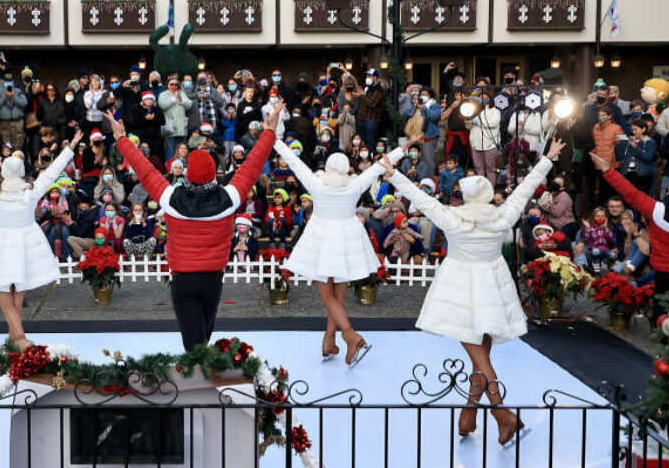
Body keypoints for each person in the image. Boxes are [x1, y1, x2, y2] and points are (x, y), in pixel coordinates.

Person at [383, 137, 565, 445]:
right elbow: (524, 190)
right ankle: (470, 414)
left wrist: (394, 175)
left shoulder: (452, 216)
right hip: (492, 283)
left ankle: (501, 413)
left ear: (465, 195)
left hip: (460, 286)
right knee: (481, 353)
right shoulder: (502, 215)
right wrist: (547, 159)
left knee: (479, 355)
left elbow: (421, 199)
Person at [108, 103, 283, 351]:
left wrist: (121, 139)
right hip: (213, 280)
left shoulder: (170, 197)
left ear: (188, 174)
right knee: (202, 340)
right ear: (213, 174)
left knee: (195, 345)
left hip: (183, 280)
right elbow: (253, 166)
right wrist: (269, 132)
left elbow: (145, 170)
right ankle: (202, 372)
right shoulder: (230, 197)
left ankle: (198, 373)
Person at [273, 131, 407, 364]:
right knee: (338, 293)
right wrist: (403, 148)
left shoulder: (316, 183)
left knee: (327, 295)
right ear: (346, 169)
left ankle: (348, 335)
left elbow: (294, 161)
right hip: (347, 239)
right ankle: (329, 341)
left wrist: (273, 138)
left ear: (327, 168)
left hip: (321, 238)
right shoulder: (354, 185)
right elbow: (377, 167)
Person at [0, 129, 83, 350]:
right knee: (18, 291)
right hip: (24, 242)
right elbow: (52, 173)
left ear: (4, 169)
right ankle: (19, 336)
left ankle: (16, 338)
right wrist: (70, 148)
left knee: (4, 290)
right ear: (22, 170)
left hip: (1, 242)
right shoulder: (30, 191)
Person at [591, 152, 669, 318]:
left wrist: (608, 170)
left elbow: (631, 193)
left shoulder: (658, 210)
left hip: (663, 274)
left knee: (662, 316)